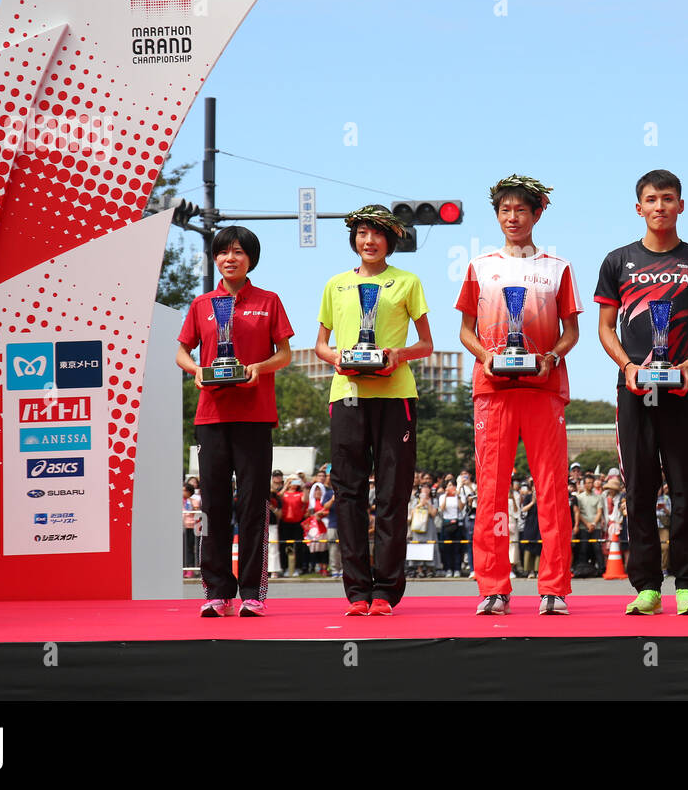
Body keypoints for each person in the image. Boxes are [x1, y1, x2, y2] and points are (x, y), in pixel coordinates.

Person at [595, 169, 688, 615]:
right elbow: (604, 328)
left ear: (681, 206)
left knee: (687, 490)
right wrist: (628, 366)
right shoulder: (617, 262)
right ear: (639, 208)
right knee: (639, 489)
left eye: (667, 199)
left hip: (683, 393)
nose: (659, 207)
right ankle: (647, 586)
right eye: (651, 200)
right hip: (634, 392)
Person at [457, 174, 581, 617]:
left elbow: (572, 332)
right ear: (497, 216)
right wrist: (485, 357)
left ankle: (554, 588)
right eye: (505, 210)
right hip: (493, 390)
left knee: (550, 489)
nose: (513, 218)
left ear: (537, 214)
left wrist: (551, 355)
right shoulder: (479, 266)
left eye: (521, 210)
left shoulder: (557, 267)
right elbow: (466, 331)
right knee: (491, 491)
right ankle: (493, 587)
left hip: (544, 388)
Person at [314, 205, 433, 616]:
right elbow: (321, 344)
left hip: (395, 396)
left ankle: (385, 590)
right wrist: (338, 359)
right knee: (348, 493)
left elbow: (426, 344)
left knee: (392, 493)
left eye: (377, 235)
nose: (369, 241)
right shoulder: (336, 285)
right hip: (346, 395)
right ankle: (356, 591)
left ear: (390, 241)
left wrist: (398, 354)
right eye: (363, 233)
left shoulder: (407, 282)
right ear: (354, 239)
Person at [177, 226, 293, 617]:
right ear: (215, 258)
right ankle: (215, 590)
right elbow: (182, 351)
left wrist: (259, 367)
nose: (231, 258)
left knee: (252, 505)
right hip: (210, 416)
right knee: (212, 503)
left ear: (251, 259)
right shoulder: (201, 304)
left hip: (255, 416)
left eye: (239, 252)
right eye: (224, 252)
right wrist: (194, 368)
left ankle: (252, 593)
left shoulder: (269, 301)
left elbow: (285, 354)